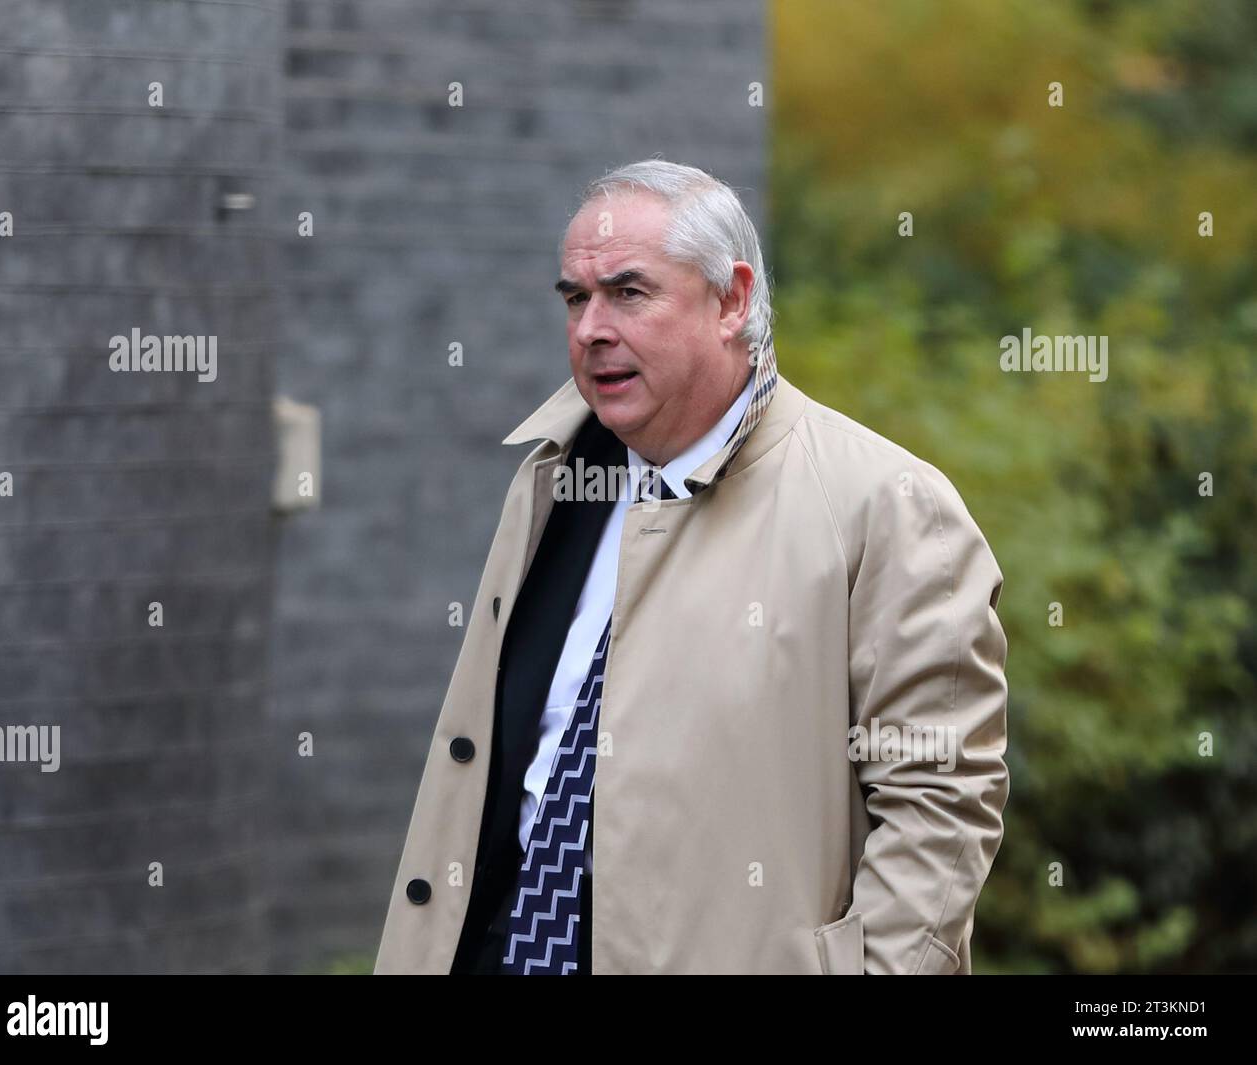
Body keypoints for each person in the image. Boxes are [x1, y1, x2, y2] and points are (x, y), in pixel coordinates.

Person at [374, 159, 1009, 975]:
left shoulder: (884, 504)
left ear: (733, 300)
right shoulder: (553, 478)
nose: (591, 328)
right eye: (575, 297)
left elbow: (941, 811)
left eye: (629, 293)